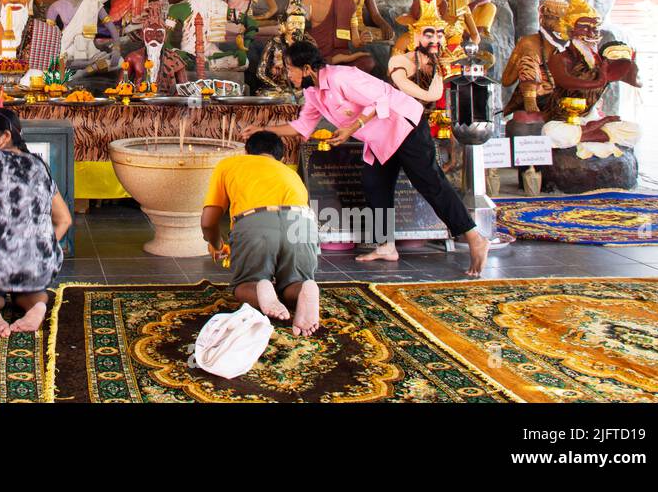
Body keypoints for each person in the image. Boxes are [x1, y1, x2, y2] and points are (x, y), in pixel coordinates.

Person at [252, 40, 489, 276]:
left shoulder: (340, 77)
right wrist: (261, 130)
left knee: (430, 183)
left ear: (306, 68)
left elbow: (380, 100)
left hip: (403, 125)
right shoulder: (313, 93)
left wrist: (351, 128)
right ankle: (386, 246)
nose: (287, 73)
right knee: (375, 183)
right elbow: (301, 127)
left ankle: (473, 236)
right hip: (380, 138)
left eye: (290, 68)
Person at [0, 108, 72, 338]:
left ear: (6, 136)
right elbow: (65, 220)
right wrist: (45, 245)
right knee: (33, 291)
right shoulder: (39, 164)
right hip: (37, 264)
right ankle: (38, 306)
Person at [201, 131, 320, 336]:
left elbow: (208, 221)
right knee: (293, 282)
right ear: (280, 158)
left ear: (247, 151)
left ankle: (259, 288)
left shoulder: (230, 164)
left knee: (244, 285)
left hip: (256, 220)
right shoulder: (290, 174)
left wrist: (217, 245)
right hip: (302, 222)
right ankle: (304, 288)